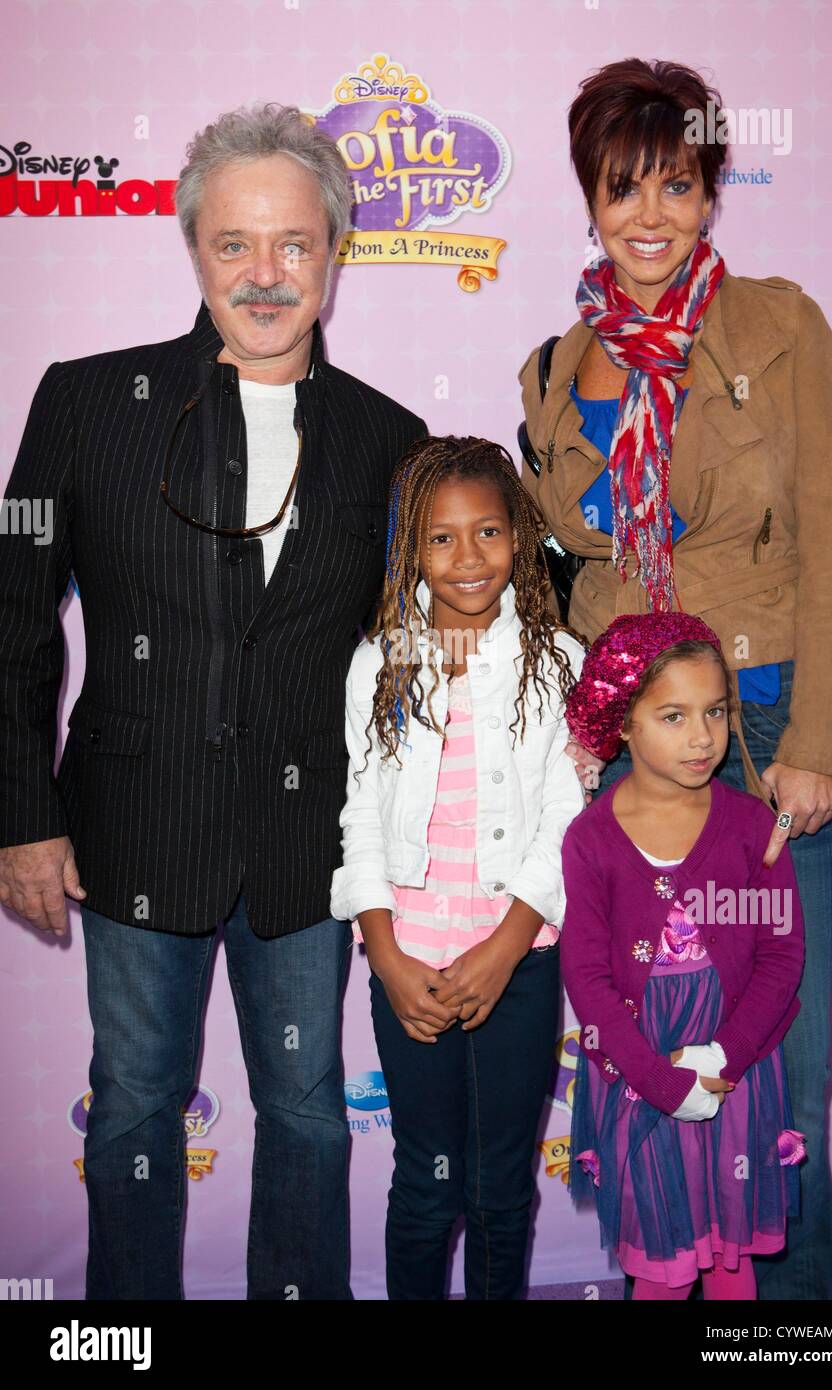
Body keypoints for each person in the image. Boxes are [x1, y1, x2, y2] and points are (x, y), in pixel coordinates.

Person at [0, 102, 427, 1300]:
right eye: (235, 244)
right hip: (134, 823)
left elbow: (413, 659)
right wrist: (20, 813)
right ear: (192, 249)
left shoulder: (390, 439)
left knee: (306, 1111)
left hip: (306, 846)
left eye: (293, 244)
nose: (265, 273)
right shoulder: (83, 404)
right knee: (134, 1103)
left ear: (335, 255)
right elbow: (13, 621)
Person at [518, 58, 832, 1300]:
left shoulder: (777, 323)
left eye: (675, 181)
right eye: (624, 186)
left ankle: (788, 1321)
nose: (648, 213)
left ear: (713, 190)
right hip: (621, 745)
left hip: (756, 726)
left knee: (782, 1066)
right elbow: (558, 564)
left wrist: (816, 740)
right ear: (590, 198)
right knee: (649, 1054)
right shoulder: (561, 364)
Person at [329, 436, 587, 1299]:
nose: (467, 557)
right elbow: (360, 814)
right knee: (427, 1184)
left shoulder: (557, 664)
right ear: (410, 546)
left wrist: (509, 943)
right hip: (409, 970)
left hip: (516, 965)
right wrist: (387, 957)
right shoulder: (383, 664)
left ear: (518, 535)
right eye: (441, 538)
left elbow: (564, 820)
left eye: (487, 532)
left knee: (502, 1187)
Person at [560, 612, 807, 1300]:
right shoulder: (590, 840)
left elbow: (781, 959)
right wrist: (661, 1081)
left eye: (715, 711)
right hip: (642, 1071)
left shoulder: (756, 827)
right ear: (623, 723)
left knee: (732, 1257)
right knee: (662, 1261)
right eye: (673, 716)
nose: (703, 737)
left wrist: (722, 1057)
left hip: (739, 1070)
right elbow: (587, 978)